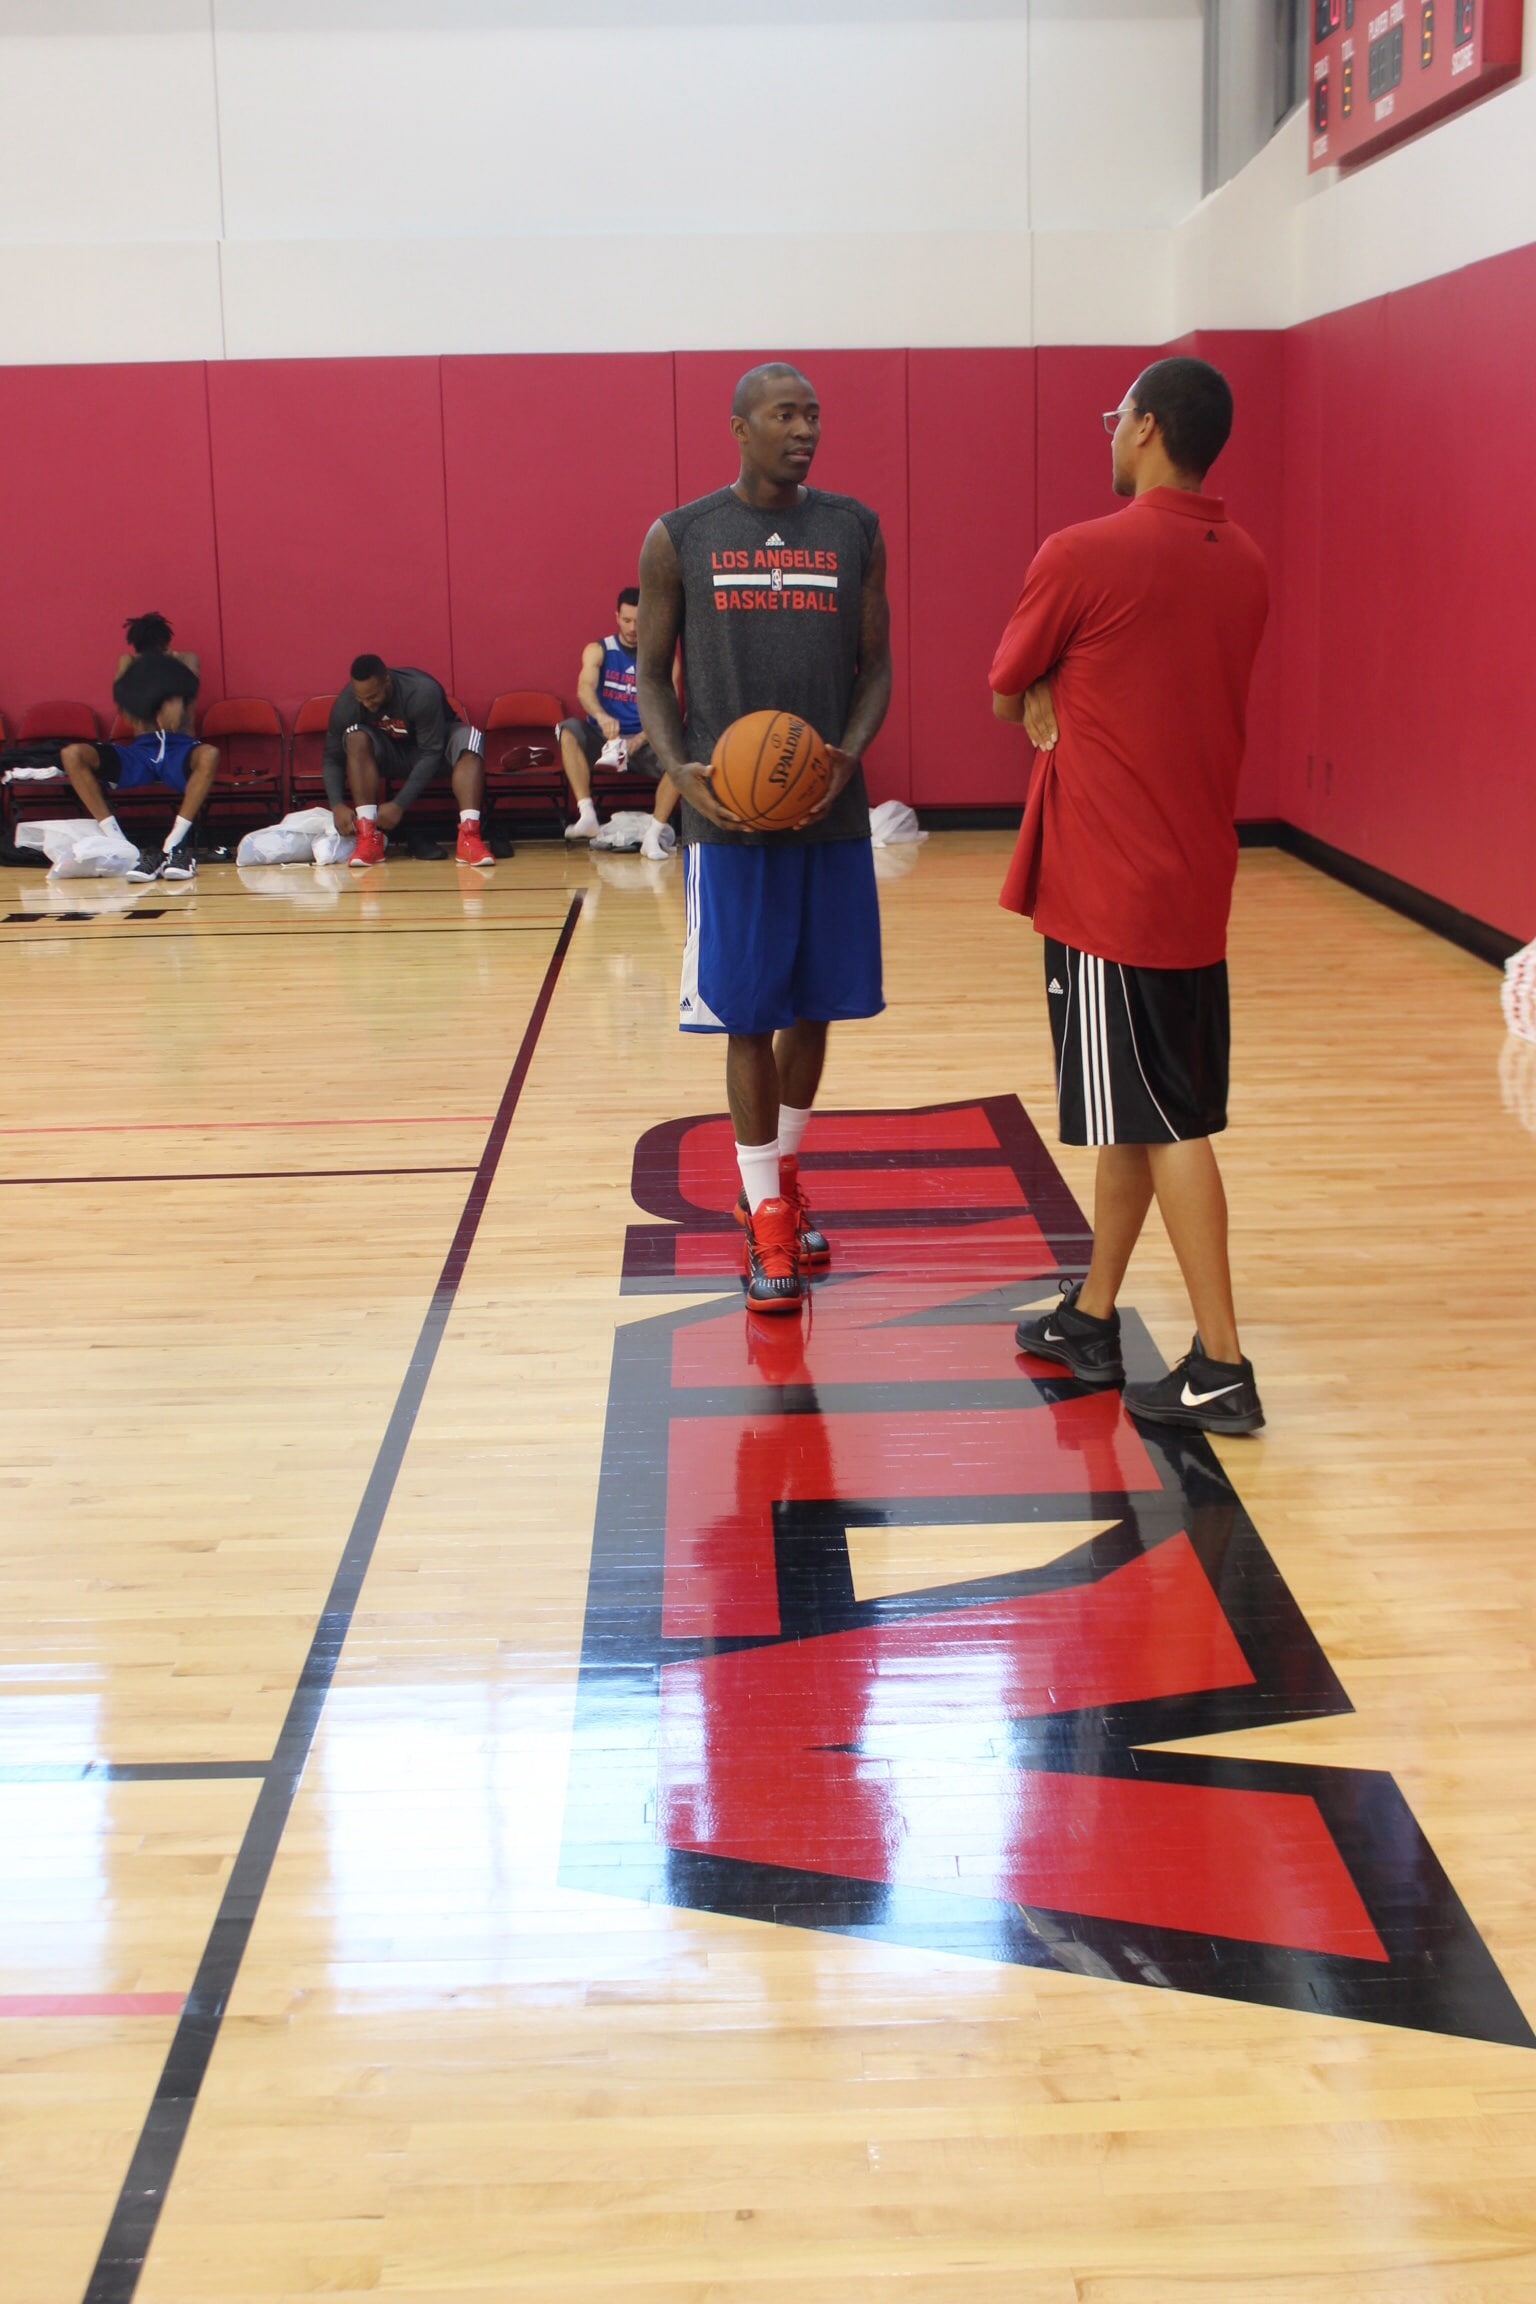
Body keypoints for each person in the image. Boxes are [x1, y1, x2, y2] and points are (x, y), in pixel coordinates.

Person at [990, 355, 1270, 1435]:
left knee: (1172, 1124)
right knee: (1138, 1109)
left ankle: (1222, 1365)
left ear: (1146, 428)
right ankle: (1093, 1313)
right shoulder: (1244, 558)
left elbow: (1007, 690)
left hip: (1111, 885)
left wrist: (1048, 686)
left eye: (1118, 418)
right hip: (1195, 877)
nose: (1109, 433)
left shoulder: (1080, 553)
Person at [637, 362, 892, 1314]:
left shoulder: (853, 528)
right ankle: (763, 1217)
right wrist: (678, 766)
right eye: (785, 415)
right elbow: (653, 676)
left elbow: (878, 665)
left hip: (827, 813)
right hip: (729, 822)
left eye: (814, 415)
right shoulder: (682, 536)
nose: (805, 429)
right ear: (738, 427)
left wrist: (847, 755)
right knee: (747, 1015)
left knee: (814, 1008)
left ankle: (780, 1178)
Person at [58, 650, 219, 883]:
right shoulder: (135, 681)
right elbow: (124, 666)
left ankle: (172, 844)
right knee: (72, 754)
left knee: (210, 754)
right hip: (141, 752)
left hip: (180, 748)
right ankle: (119, 842)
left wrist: (163, 664)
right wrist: (144, 664)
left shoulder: (182, 675)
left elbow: (191, 661)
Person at [323, 657, 496, 868]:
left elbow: (431, 752)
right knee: (355, 737)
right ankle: (369, 837)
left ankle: (470, 837)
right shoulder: (348, 702)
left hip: (436, 751)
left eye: (373, 697)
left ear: (387, 681)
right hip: (390, 755)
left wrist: (399, 804)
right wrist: (337, 805)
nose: (367, 704)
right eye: (362, 699)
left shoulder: (421, 691)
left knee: (471, 739)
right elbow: (332, 757)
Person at [558, 586, 680, 861]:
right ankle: (587, 814)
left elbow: (669, 709)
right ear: (616, 617)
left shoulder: (662, 657)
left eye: (639, 621)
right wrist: (601, 717)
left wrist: (639, 739)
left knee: (681, 756)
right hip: (606, 740)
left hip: (645, 739)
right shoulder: (598, 650)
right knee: (568, 731)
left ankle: (653, 835)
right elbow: (584, 689)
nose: (633, 628)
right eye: (626, 620)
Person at [115, 611, 199, 686]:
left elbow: (189, 697)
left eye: (164, 650)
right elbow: (122, 696)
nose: (159, 658)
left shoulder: (187, 660)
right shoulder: (128, 662)